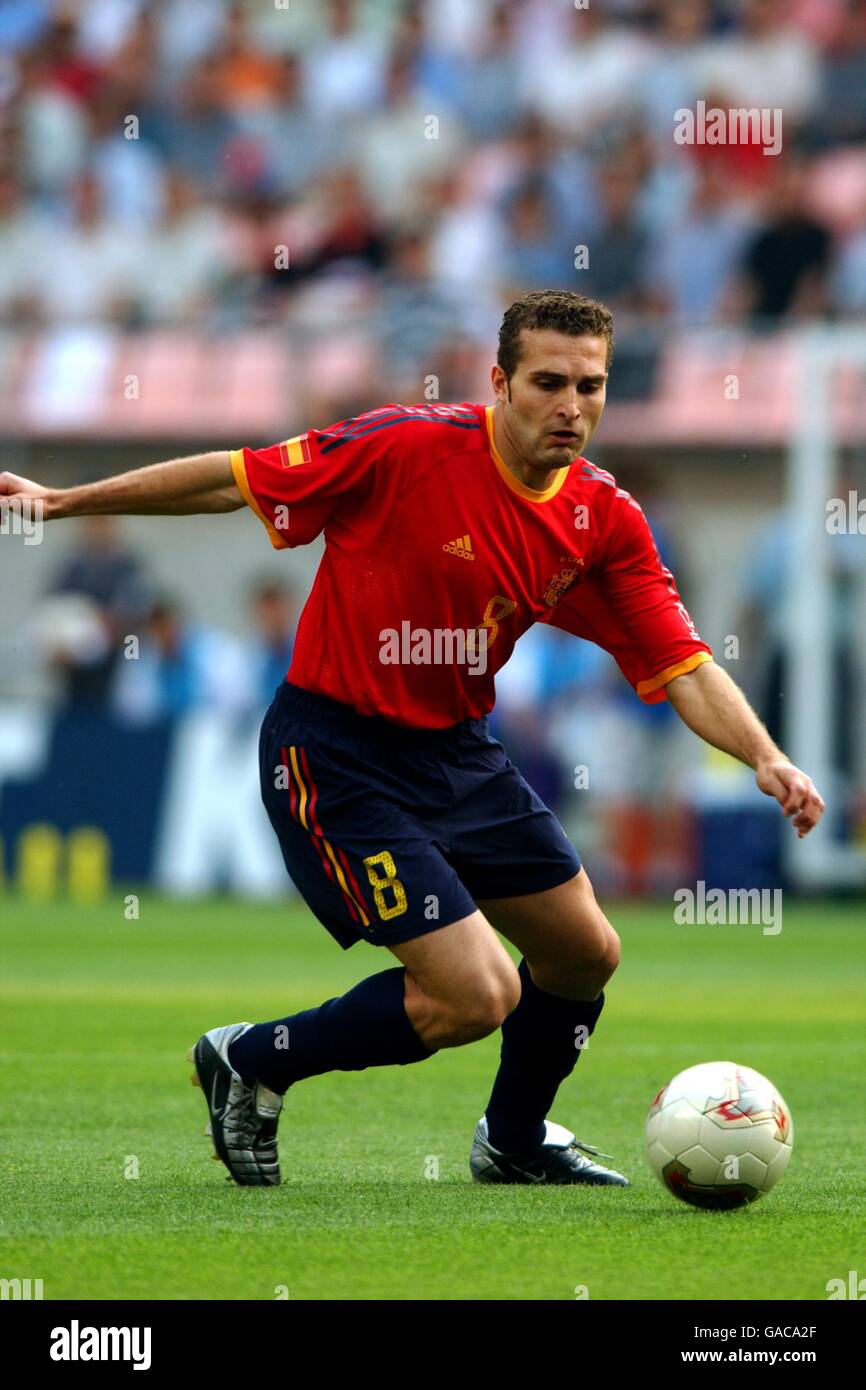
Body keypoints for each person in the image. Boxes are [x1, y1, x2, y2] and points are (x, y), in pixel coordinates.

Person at [0, 290, 825, 1189]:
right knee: (474, 997)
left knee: (586, 951)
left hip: (458, 750)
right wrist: (65, 501)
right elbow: (233, 479)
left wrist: (766, 755)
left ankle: (513, 1141)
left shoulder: (604, 518)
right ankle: (255, 1060)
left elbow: (685, 663)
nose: (571, 407)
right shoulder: (405, 445)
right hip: (336, 751)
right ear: (499, 382)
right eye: (548, 383)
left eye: (590, 386)